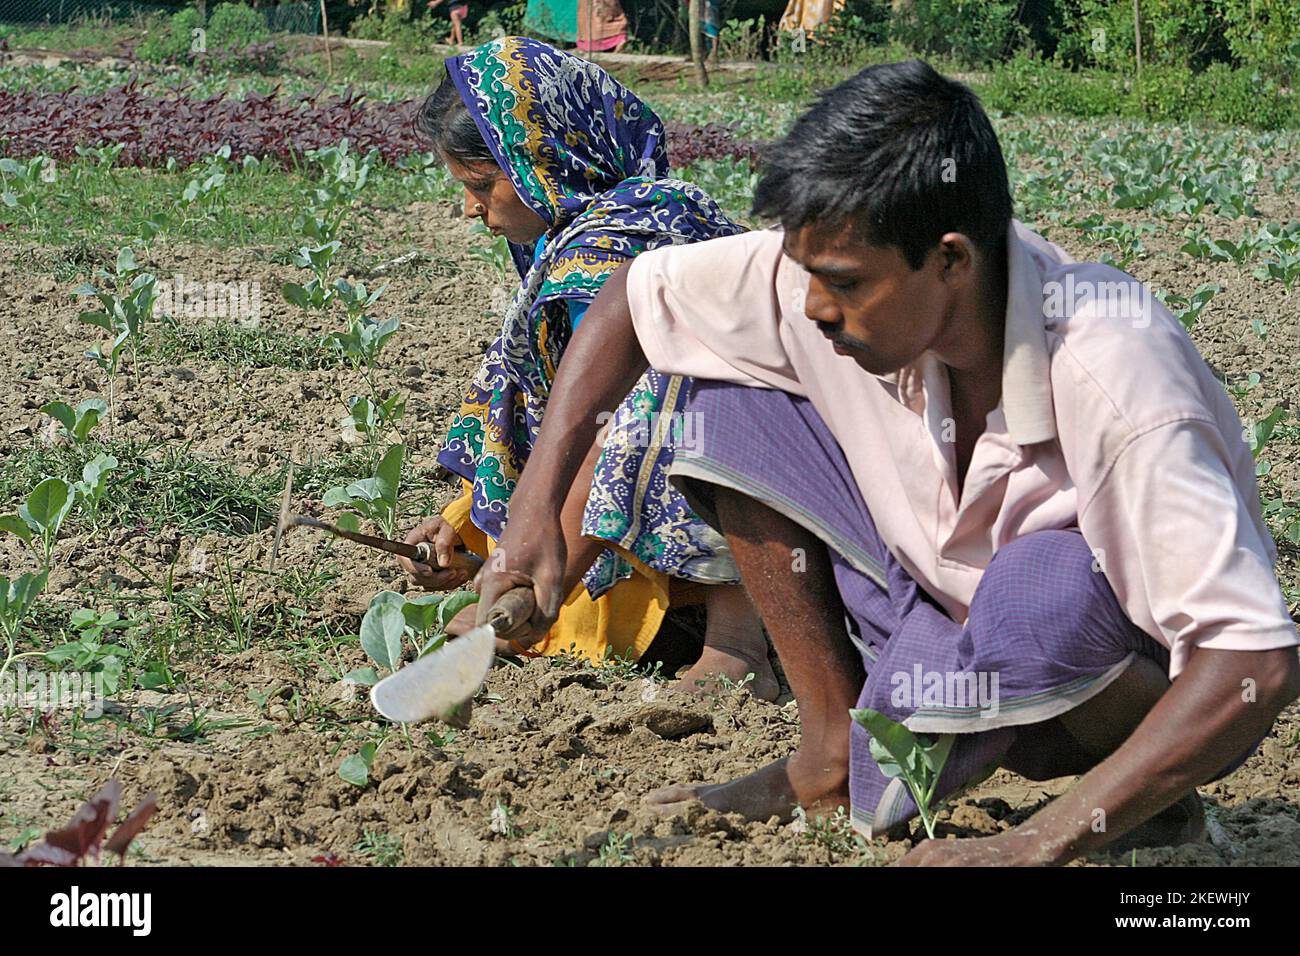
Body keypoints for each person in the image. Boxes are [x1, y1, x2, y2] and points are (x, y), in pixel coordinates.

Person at [472, 60, 1300, 864]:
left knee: (1041, 585)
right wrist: (535, 505)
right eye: (805, 275)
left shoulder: (1114, 371)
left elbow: (1252, 662)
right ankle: (830, 754)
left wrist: (1026, 846)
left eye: (842, 283)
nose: (812, 307)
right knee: (721, 401)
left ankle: (1130, 803)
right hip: (928, 614)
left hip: (1089, 678)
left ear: (951, 260)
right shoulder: (838, 272)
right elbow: (632, 298)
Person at [404, 36, 778, 700]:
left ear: (542, 161)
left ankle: (738, 642)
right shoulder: (571, 237)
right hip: (612, 507)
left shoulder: (613, 246)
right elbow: (549, 416)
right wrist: (465, 526)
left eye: (482, 185)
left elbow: (606, 431)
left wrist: (528, 577)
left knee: (680, 398)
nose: (470, 209)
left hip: (746, 499)